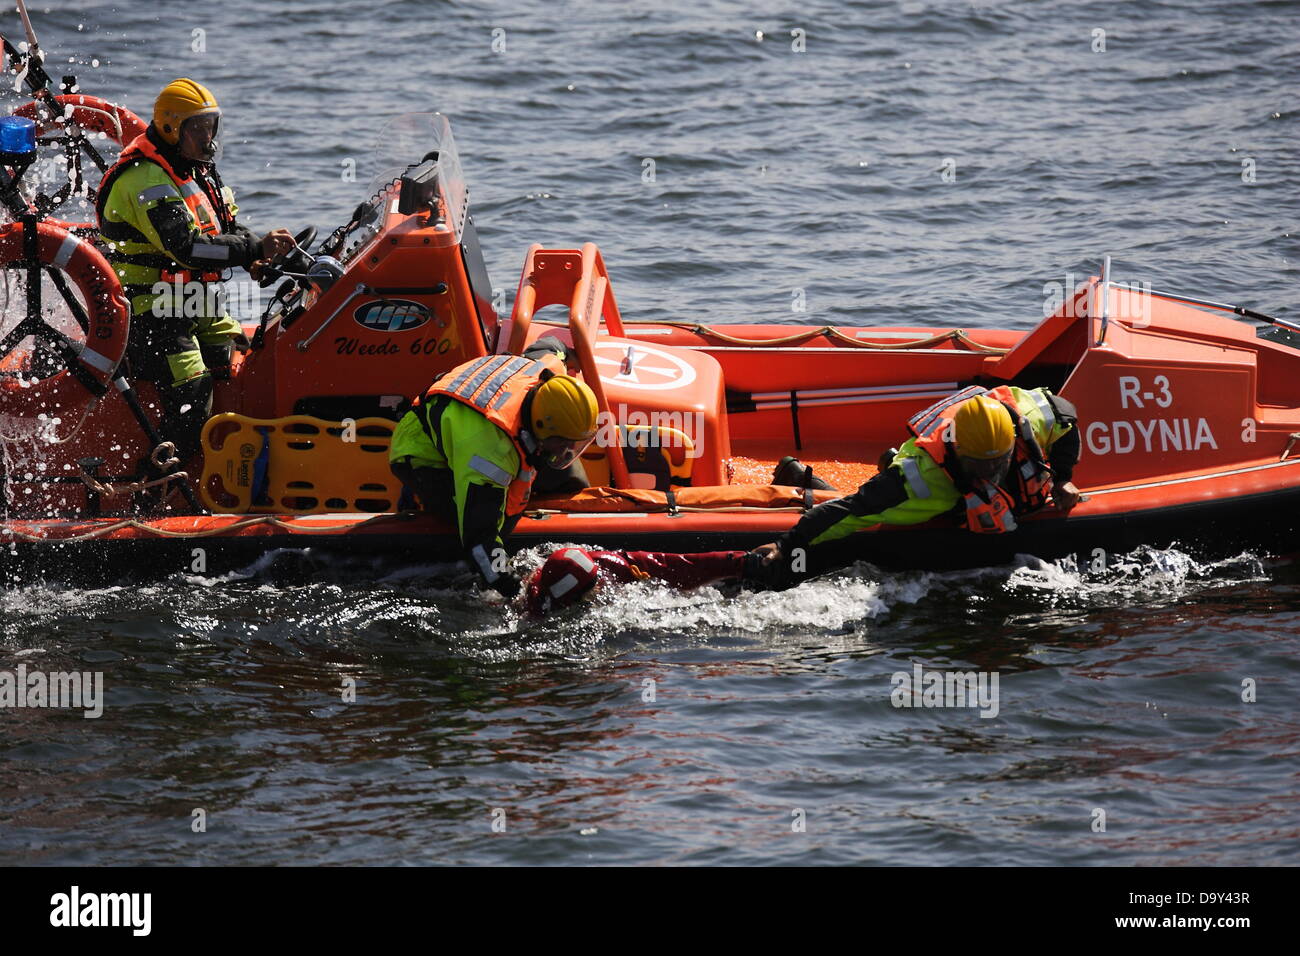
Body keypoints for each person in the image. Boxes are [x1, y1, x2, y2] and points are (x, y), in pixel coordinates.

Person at [95, 77, 294, 478]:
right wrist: (255, 250)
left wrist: (255, 253)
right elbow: (188, 248)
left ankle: (230, 472)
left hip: (191, 301)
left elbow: (227, 227)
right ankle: (147, 487)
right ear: (172, 128)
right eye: (197, 128)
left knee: (236, 361)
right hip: (150, 310)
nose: (208, 137)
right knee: (192, 397)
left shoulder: (194, 169)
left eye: (211, 126)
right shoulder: (145, 180)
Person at [751, 384, 1082, 586]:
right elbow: (852, 510)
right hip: (923, 471)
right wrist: (786, 545)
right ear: (960, 452)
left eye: (997, 464)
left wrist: (1063, 479)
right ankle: (798, 476)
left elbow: (1067, 416)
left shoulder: (1033, 420)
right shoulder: (918, 478)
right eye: (979, 466)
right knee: (873, 503)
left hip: (987, 431)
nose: (989, 474)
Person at [389, 338, 599, 598]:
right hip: (423, 452)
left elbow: (553, 345)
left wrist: (572, 354)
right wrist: (511, 587)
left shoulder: (548, 372)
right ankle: (415, 498)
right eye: (563, 444)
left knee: (571, 477)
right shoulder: (489, 456)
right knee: (472, 529)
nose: (566, 451)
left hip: (485, 417)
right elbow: (480, 537)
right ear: (543, 428)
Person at [525, 547, 750, 617]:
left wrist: (743, 563)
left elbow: (683, 566)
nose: (602, 585)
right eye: (594, 587)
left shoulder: (614, 566)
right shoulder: (535, 609)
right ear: (571, 600)